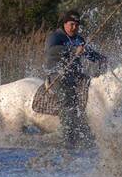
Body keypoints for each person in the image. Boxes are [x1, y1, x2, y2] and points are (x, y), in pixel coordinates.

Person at [44, 11, 104, 148]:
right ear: (65, 24)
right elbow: (51, 51)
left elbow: (88, 52)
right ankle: (68, 137)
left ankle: (87, 128)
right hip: (57, 75)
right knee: (68, 100)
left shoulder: (79, 39)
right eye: (71, 24)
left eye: (77, 25)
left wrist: (101, 58)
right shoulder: (56, 37)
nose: (74, 28)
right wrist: (72, 50)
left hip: (76, 75)